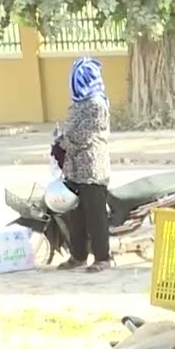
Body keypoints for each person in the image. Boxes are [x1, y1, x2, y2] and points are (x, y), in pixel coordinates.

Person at [56, 56, 112, 273]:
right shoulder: (78, 104)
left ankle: (102, 258)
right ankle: (78, 255)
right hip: (74, 170)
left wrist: (62, 142)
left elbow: (82, 136)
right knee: (75, 216)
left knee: (95, 216)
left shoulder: (96, 104)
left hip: (91, 168)